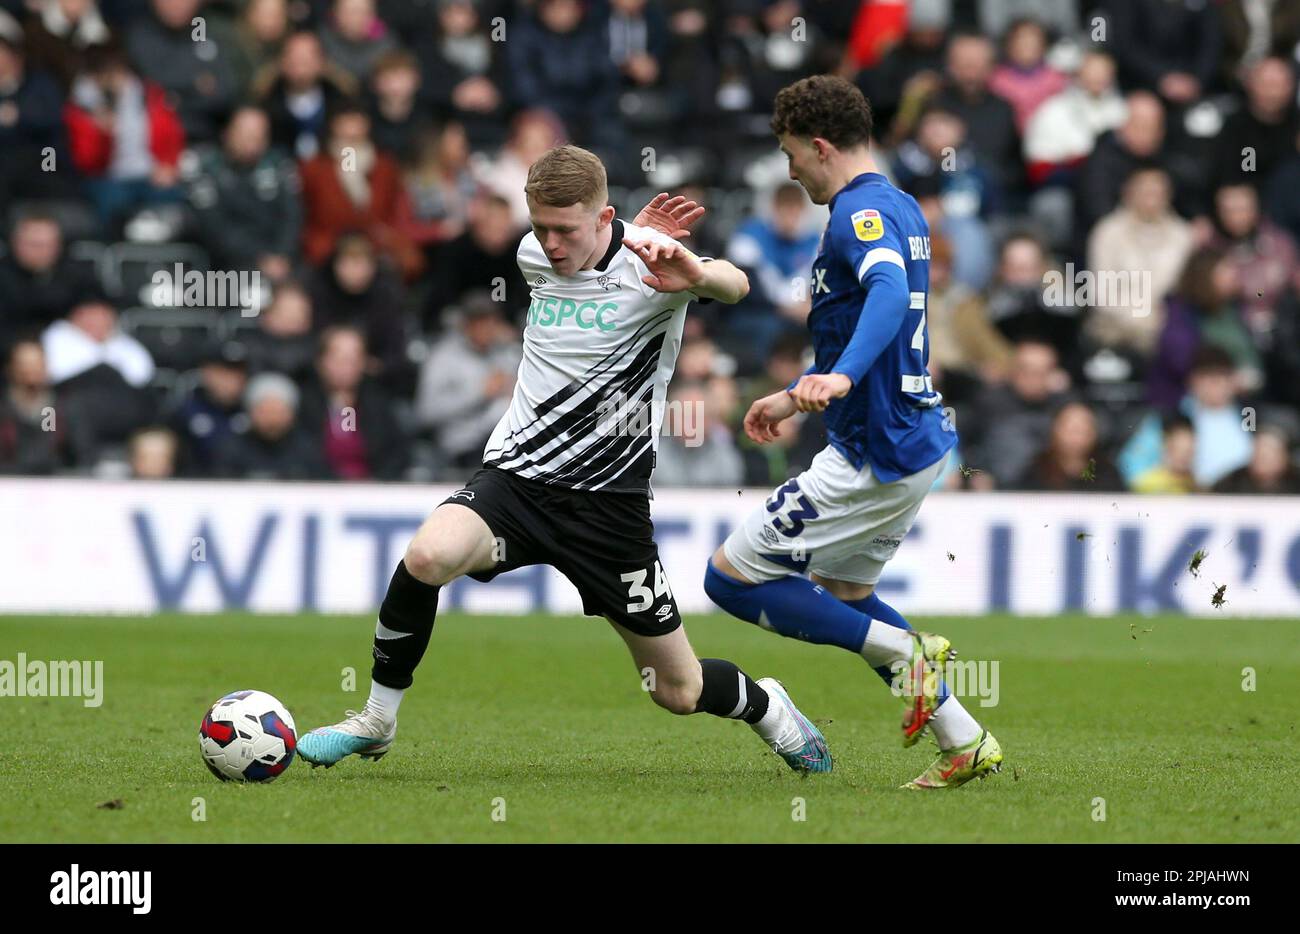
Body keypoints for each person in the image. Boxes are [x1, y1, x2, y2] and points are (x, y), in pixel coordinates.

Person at [296, 155, 831, 775]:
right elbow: (566, 240)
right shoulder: (533, 255)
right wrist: (605, 235)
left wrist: (694, 272)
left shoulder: (654, 267)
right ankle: (377, 718)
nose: (550, 244)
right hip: (515, 481)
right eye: (541, 227)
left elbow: (733, 284)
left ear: (604, 217)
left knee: (676, 691)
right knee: (426, 557)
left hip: (609, 507)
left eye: (566, 231)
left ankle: (769, 708)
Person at [702, 76, 1002, 790]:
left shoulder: (854, 214)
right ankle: (964, 740)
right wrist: (798, 391)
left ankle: (908, 655)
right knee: (841, 589)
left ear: (819, 145)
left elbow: (891, 295)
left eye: (789, 154)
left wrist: (837, 382)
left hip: (875, 449)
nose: (789, 170)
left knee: (731, 578)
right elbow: (863, 319)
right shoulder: (899, 204)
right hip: (913, 440)